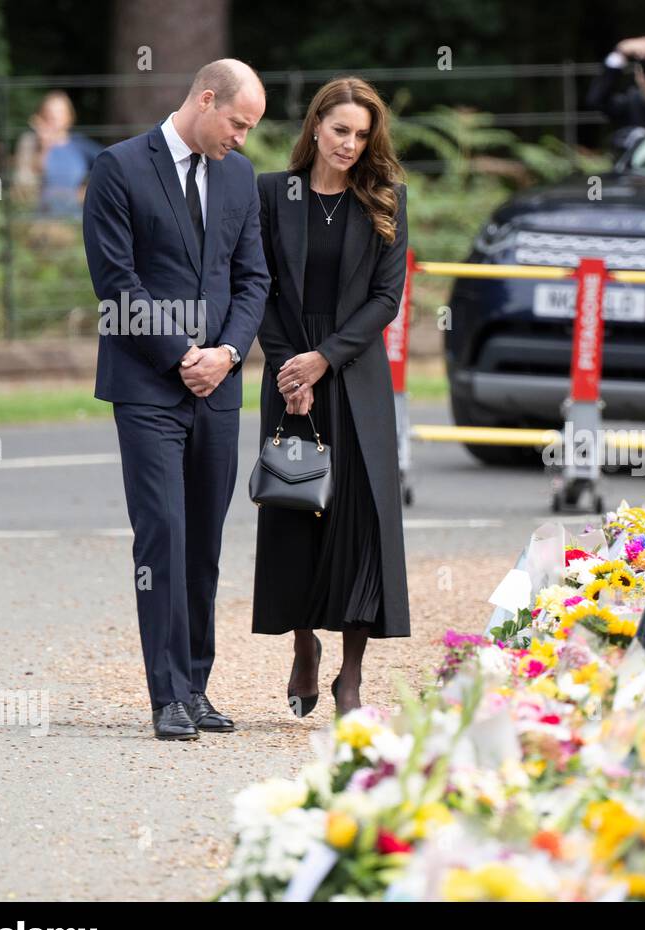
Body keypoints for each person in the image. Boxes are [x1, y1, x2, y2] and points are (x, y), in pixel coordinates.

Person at [82, 60, 271, 740]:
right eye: (238, 124)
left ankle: (196, 684)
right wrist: (180, 355)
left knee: (206, 540)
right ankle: (166, 695)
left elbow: (253, 279)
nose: (243, 139)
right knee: (163, 533)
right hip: (147, 385)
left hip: (219, 385)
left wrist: (224, 354)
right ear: (206, 98)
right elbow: (116, 282)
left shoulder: (240, 177)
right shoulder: (120, 166)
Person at [251, 76, 411, 716]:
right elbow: (255, 283)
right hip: (289, 370)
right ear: (316, 125)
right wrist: (291, 366)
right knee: (296, 507)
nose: (349, 143)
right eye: (340, 129)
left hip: (355, 373)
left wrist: (325, 359)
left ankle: (351, 673)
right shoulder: (272, 192)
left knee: (360, 520)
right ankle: (303, 646)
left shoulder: (386, 198)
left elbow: (386, 299)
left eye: (361, 134)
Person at [14, 90, 101, 218]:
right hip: (38, 217)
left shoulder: (80, 145)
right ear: (40, 115)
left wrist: (88, 192)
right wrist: (44, 147)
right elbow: (24, 183)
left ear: (69, 117)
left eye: (59, 112)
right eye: (48, 112)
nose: (53, 117)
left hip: (74, 218)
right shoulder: (29, 142)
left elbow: (110, 164)